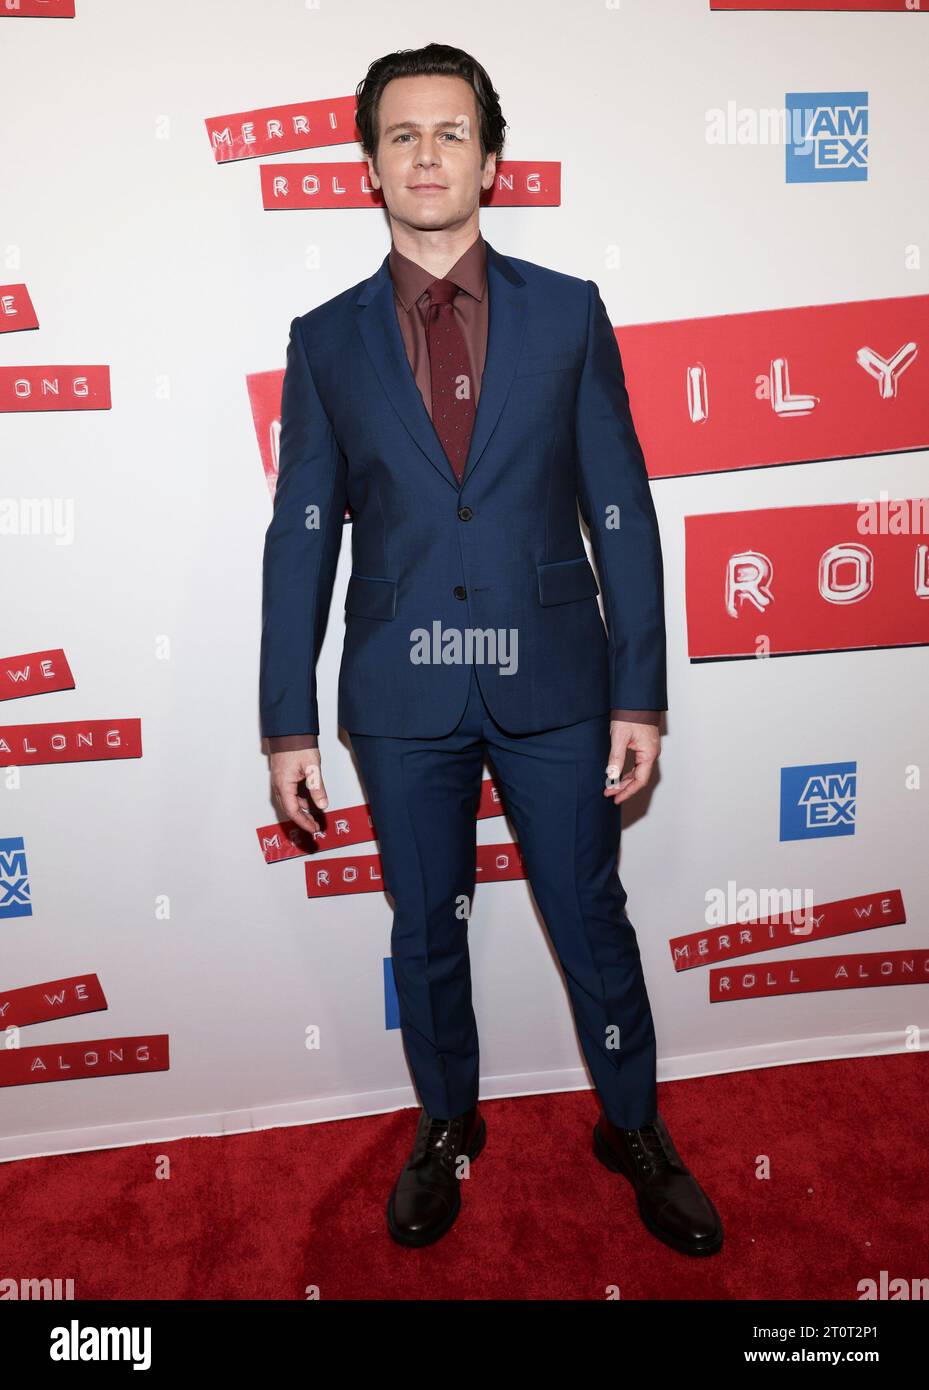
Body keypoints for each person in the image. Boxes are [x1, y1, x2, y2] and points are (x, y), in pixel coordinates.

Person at [259, 42, 722, 1257]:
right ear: (368, 164)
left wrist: (640, 691)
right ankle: (447, 1125)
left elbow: (618, 504)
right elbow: (300, 536)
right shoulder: (322, 340)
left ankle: (630, 1127)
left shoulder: (566, 313)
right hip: (401, 696)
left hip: (561, 685)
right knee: (423, 928)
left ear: (491, 160)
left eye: (450, 132)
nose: (425, 154)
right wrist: (285, 719)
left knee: (589, 915)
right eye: (401, 134)